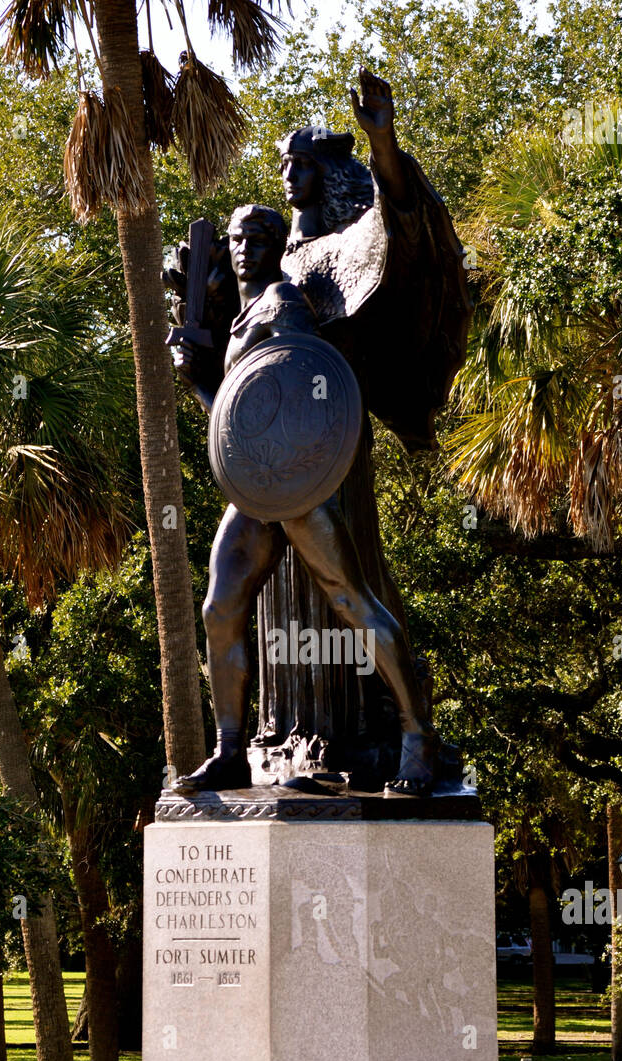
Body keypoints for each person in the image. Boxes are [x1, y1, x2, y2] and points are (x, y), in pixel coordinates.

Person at [171, 202, 438, 795]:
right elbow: (232, 431)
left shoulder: (284, 306)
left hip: (297, 483)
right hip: (259, 487)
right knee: (219, 609)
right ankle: (231, 750)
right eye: (237, 239)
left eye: (259, 239)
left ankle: (418, 738)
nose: (245, 249)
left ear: (275, 248)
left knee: (351, 600)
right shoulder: (241, 321)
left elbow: (303, 395)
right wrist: (197, 383)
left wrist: (211, 387)